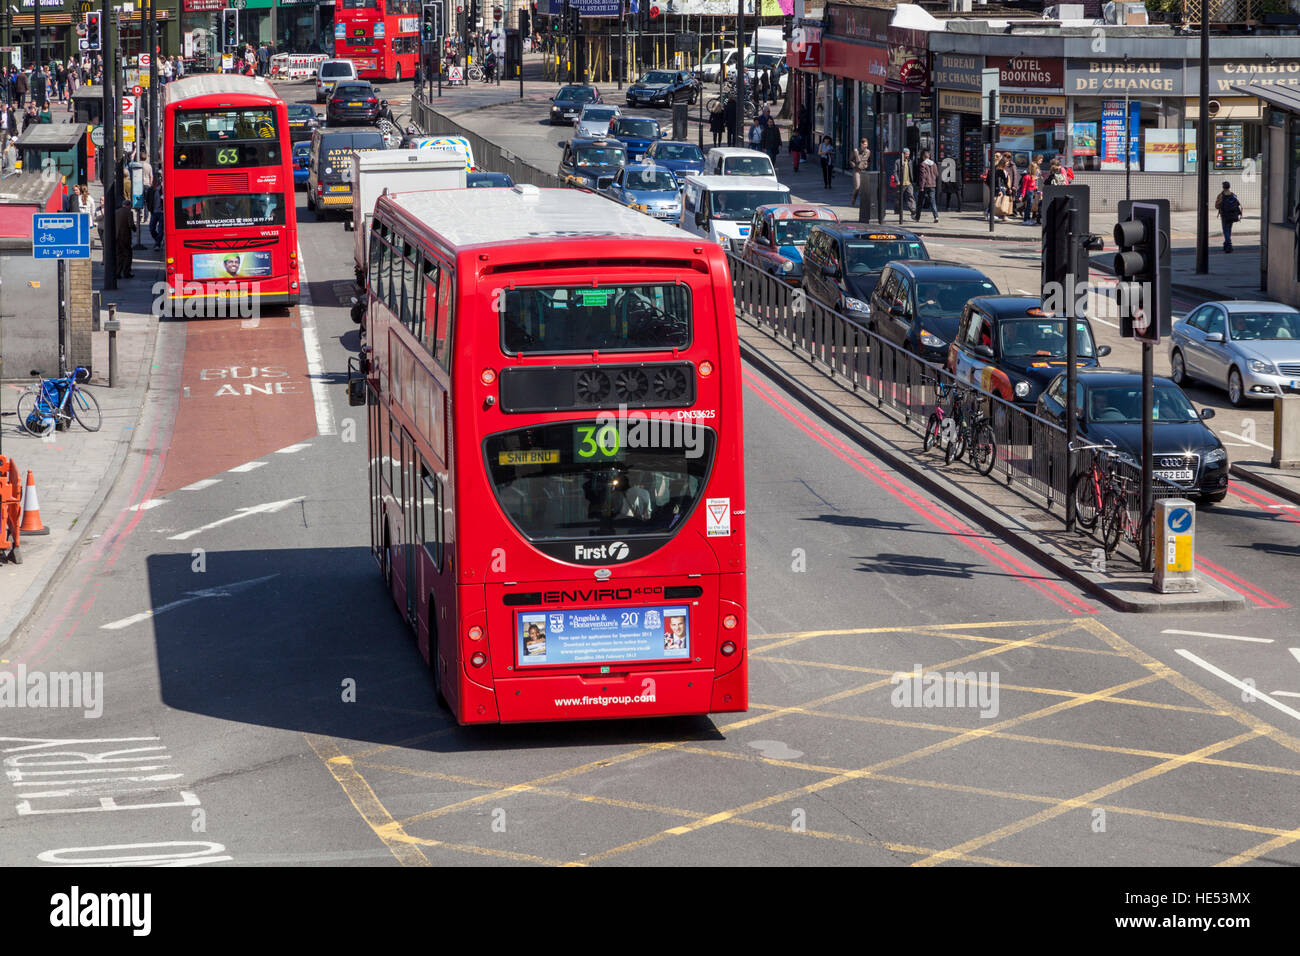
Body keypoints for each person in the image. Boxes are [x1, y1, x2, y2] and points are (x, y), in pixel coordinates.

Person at [1215, 180, 1242, 253]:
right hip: (1232, 215)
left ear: (1223, 187)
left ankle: (1228, 244)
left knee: (1225, 230)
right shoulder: (1233, 195)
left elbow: (1216, 206)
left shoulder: (1221, 195)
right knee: (1229, 230)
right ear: (1229, 187)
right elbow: (1237, 204)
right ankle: (1226, 244)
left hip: (1224, 215)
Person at [917, 148, 939, 223]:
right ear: (929, 156)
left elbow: (923, 177)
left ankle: (917, 217)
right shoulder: (934, 164)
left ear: (923, 157)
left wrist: (921, 187)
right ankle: (936, 217)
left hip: (925, 185)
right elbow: (936, 174)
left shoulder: (922, 164)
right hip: (932, 185)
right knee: (933, 201)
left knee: (920, 201)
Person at [114, 197, 135, 279]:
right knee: (128, 255)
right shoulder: (129, 212)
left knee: (119, 255)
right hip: (125, 237)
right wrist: (134, 229)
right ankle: (126, 272)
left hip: (116, 237)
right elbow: (131, 224)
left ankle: (118, 272)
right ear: (129, 205)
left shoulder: (116, 212)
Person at [893, 147, 915, 217]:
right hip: (901, 183)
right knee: (898, 197)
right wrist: (897, 180)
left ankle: (913, 210)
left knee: (910, 196)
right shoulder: (897, 161)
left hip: (908, 183)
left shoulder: (910, 161)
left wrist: (912, 180)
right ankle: (897, 210)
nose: (908, 156)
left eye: (908, 154)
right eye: (906, 154)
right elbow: (895, 172)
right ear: (903, 154)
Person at [849, 138, 870, 206]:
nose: (865, 146)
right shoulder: (856, 151)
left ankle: (863, 202)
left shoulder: (868, 152)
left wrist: (867, 165)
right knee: (857, 187)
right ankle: (853, 199)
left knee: (864, 188)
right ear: (861, 144)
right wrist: (854, 166)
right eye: (864, 144)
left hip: (864, 170)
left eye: (866, 144)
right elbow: (850, 160)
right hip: (857, 171)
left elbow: (867, 160)